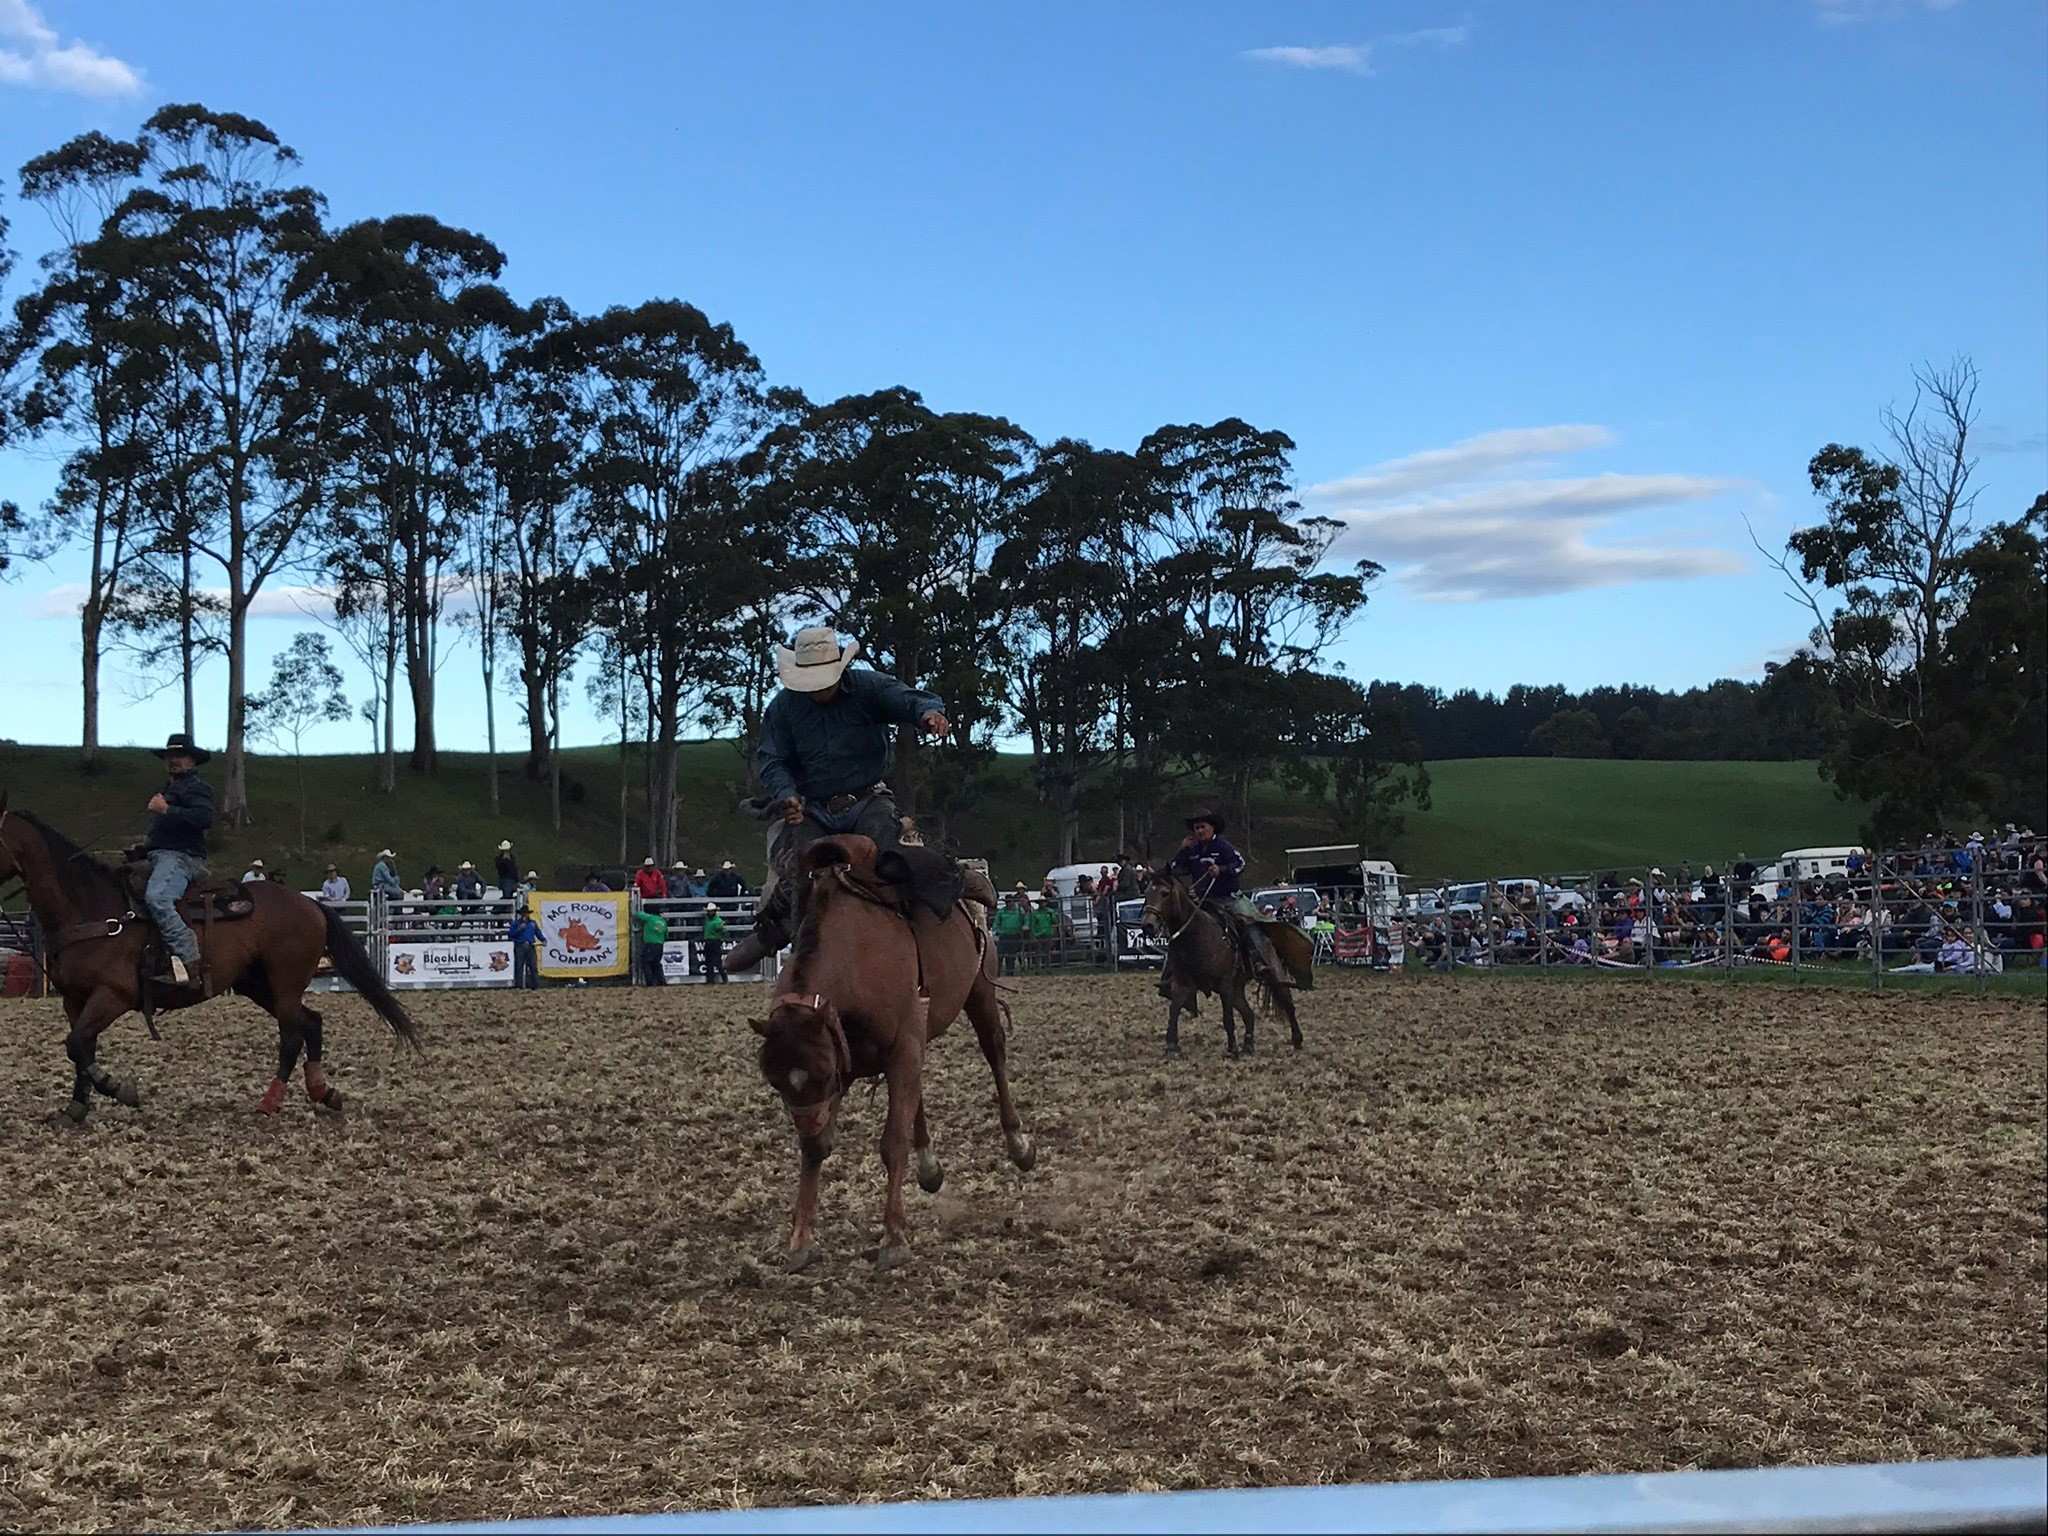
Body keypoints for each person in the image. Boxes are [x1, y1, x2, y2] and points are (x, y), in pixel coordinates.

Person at [723, 625, 951, 970]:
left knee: (888, 857)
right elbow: (772, 760)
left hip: (868, 798)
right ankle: (778, 932)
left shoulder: (868, 687)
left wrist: (928, 713)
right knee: (796, 866)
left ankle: (920, 930)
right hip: (812, 806)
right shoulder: (783, 708)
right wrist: (787, 795)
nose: (817, 688)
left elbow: (908, 699)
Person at [1162, 811, 1284, 989]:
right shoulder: (1191, 850)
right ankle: (1170, 975)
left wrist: (1222, 869)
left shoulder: (1223, 846)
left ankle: (1259, 962)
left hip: (1228, 898)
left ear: (1212, 828)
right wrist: (1182, 850)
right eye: (1196, 828)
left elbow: (1240, 864)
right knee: (1180, 931)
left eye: (1203, 827)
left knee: (1248, 925)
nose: (1199, 831)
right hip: (1202, 902)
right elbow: (1174, 869)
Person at [141, 732, 216, 988]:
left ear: (192, 761)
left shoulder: (197, 787)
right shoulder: (170, 788)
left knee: (157, 898)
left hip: (183, 857)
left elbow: (205, 818)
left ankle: (190, 958)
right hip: (160, 855)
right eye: (170, 756)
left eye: (180, 755)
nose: (174, 760)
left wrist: (167, 810)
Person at [508, 904, 541, 990]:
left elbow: (538, 933)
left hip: (530, 946)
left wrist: (543, 939)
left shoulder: (533, 923)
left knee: (533, 966)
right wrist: (519, 929)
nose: (525, 915)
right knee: (519, 966)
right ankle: (519, 985)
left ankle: (535, 984)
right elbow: (511, 934)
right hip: (520, 946)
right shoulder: (516, 923)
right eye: (523, 913)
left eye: (526, 913)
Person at [636, 902, 669, 987]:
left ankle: (650, 982)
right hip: (660, 944)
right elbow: (666, 935)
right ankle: (661, 981)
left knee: (646, 962)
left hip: (650, 944)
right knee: (656, 963)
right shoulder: (663, 921)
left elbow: (638, 914)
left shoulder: (649, 918)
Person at [701, 904, 729, 982]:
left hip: (715, 942)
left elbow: (724, 931)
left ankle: (723, 978)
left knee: (717, 962)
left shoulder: (718, 921)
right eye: (708, 911)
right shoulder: (714, 920)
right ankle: (711, 979)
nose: (709, 913)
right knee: (709, 962)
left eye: (711, 911)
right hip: (709, 941)